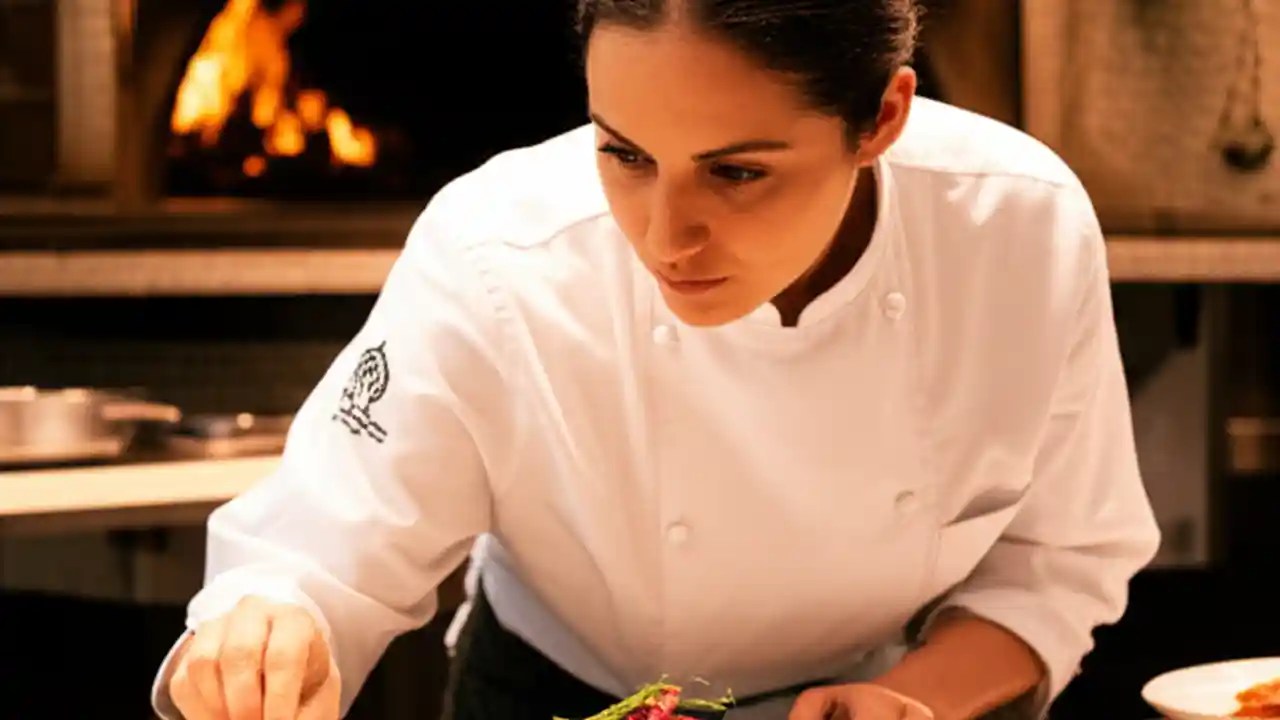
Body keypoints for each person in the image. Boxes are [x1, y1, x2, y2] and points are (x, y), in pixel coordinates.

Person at [153, 1, 1162, 719]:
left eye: (736, 173)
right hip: (560, 690)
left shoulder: (1012, 224)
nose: (664, 238)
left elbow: (1057, 561)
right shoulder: (497, 252)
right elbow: (328, 550)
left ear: (881, 119)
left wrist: (910, 699)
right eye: (623, 152)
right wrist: (266, 637)